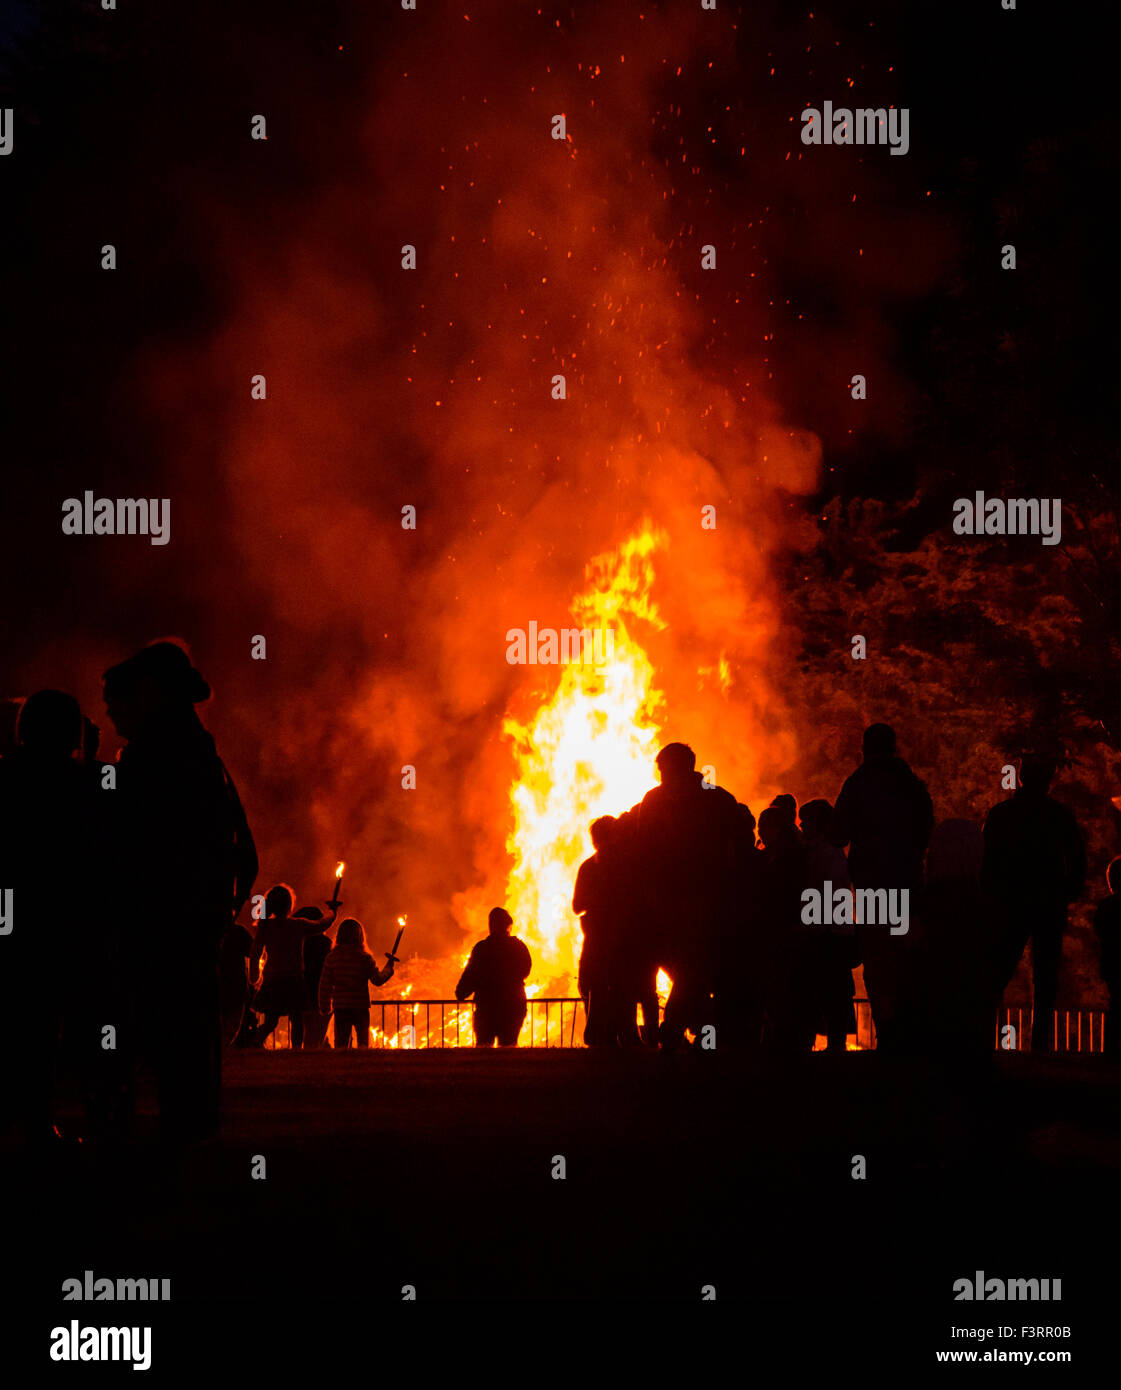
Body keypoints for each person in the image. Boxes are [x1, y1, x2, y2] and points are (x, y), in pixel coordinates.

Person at [101, 640, 257, 1143]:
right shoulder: (197, 750)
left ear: (149, 694)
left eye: (118, 701)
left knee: (172, 1022)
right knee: (187, 1024)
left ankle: (182, 1127)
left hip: (167, 914)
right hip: (192, 913)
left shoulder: (161, 757)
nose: (111, 713)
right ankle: (190, 1123)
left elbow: (128, 837)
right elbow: (242, 848)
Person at [0, 690, 96, 1144]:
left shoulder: (8, 772)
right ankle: (37, 1115)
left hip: (12, 906)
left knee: (20, 1015)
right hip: (56, 913)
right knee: (44, 1020)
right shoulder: (78, 781)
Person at [833, 723, 933, 1053]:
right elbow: (925, 831)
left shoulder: (858, 784)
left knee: (878, 961)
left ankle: (888, 1032)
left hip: (873, 885)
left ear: (865, 748)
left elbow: (839, 834)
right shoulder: (911, 785)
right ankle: (910, 1032)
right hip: (908, 882)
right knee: (908, 956)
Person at [632, 743, 741, 1048]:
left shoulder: (710, 799)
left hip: (700, 900)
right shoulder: (716, 798)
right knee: (690, 969)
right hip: (676, 901)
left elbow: (644, 852)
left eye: (663, 768)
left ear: (676, 768)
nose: (661, 774)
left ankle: (677, 1029)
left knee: (692, 967)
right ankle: (704, 1029)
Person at [982, 754, 1085, 1051]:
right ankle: (1040, 1041)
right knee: (1046, 973)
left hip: (1009, 901)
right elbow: (1077, 857)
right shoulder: (1059, 815)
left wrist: (990, 895)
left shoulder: (1002, 814)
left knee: (998, 970)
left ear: (1022, 778)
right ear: (1048, 781)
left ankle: (985, 1037)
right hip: (1048, 902)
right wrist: (1069, 892)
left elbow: (986, 859)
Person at [798, 799, 858, 1052]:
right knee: (828, 990)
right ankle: (829, 1041)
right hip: (828, 932)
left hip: (828, 934)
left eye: (806, 820)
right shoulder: (823, 851)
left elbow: (825, 891)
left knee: (830, 990)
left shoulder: (826, 853)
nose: (802, 825)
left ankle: (834, 1043)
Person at [251, 886, 337, 1049]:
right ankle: (296, 1049)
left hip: (272, 980)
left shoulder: (265, 926)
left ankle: (255, 1041)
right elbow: (320, 925)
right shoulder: (297, 925)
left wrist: (254, 977)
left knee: (271, 1020)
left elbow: (255, 953)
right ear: (289, 905)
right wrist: (332, 913)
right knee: (296, 1018)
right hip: (293, 979)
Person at [573, 815, 631, 1046]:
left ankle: (599, 1035)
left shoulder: (589, 867)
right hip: (621, 939)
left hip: (598, 939)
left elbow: (577, 906)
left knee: (592, 985)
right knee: (619, 987)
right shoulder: (628, 865)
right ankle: (621, 1034)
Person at [455, 907, 532, 1047]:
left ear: (491, 925)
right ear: (508, 925)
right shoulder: (519, 947)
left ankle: (486, 1068)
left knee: (484, 1048)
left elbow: (471, 974)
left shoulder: (482, 949)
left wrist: (461, 992)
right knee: (509, 1047)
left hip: (487, 1008)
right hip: (513, 1007)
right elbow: (526, 970)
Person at [317, 918, 394, 1048]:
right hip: (360, 1007)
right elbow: (377, 980)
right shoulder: (364, 958)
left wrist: (324, 1006)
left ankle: (341, 1066)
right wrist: (388, 969)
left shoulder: (332, 958)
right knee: (363, 1043)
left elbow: (325, 984)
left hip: (341, 1007)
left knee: (341, 1043)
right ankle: (362, 1065)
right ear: (360, 936)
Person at [1093, 857, 1121, 1054]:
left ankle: (1110, 1048)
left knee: (1116, 1003)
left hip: (1112, 962)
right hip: (1113, 961)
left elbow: (1099, 929)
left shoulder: (1106, 906)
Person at [297, 907, 333, 1049]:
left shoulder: (299, 943)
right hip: (320, 994)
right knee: (315, 1037)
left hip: (302, 993)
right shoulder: (324, 943)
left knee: (311, 1035)